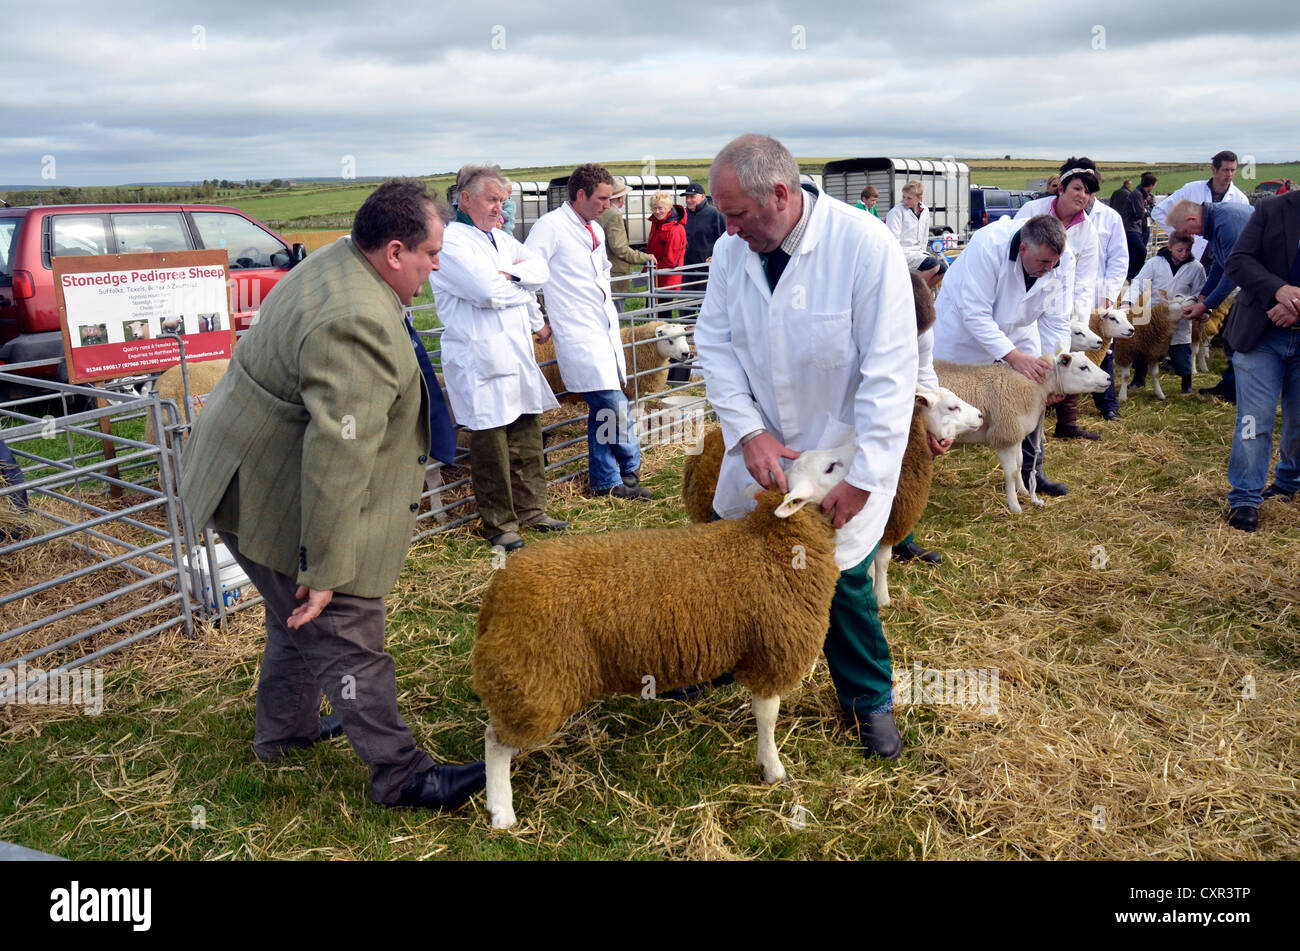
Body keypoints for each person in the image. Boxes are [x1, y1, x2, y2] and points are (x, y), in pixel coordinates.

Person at [179, 179, 485, 811]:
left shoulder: (339, 261)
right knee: (342, 624)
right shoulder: (356, 318)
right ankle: (402, 776)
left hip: (243, 469)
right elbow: (337, 454)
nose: (435, 267)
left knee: (290, 616)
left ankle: (284, 734)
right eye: (431, 254)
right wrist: (323, 567)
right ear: (394, 251)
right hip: (267, 486)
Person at [695, 133, 917, 760]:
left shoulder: (863, 247)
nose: (728, 229)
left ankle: (867, 700)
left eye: (736, 214)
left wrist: (866, 476)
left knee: (839, 578)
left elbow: (890, 371)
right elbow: (714, 345)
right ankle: (711, 659)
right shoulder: (732, 253)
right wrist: (747, 431)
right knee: (727, 556)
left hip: (838, 453)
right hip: (760, 449)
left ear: (781, 195)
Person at [428, 165, 570, 552]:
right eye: (492, 200)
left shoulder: (501, 240)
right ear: (466, 198)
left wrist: (509, 279)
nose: (499, 209)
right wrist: (517, 284)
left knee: (525, 435)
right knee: (490, 446)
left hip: (514, 354)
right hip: (479, 358)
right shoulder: (452, 241)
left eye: (503, 201)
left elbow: (540, 268)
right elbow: (485, 291)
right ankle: (500, 525)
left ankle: (532, 511)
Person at [526, 164, 651, 500]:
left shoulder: (592, 227)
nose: (608, 205)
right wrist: (535, 318)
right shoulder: (549, 227)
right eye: (602, 198)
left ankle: (605, 482)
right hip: (577, 331)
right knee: (612, 402)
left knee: (603, 407)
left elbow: (602, 271)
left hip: (602, 328)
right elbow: (526, 275)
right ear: (580, 195)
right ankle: (631, 464)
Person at [932, 214, 1073, 496]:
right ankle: (919, 470)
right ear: (1023, 249)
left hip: (1020, 332)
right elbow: (975, 314)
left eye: (1053, 262)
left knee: (1029, 396)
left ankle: (1032, 474)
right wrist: (1013, 356)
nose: (1050, 269)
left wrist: (1055, 373)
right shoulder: (987, 247)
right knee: (941, 404)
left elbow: (1056, 320)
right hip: (963, 336)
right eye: (1043, 262)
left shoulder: (1062, 261)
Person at [1219, 190, 1300, 530]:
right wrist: (1279, 290)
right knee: (1255, 418)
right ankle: (1245, 498)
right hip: (1261, 335)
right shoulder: (1272, 208)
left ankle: (1288, 482)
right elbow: (1239, 260)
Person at [1017, 159, 1108, 438]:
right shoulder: (1033, 211)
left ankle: (1057, 427)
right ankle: (1017, 420)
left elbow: (1084, 279)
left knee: (1064, 360)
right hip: (1024, 294)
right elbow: (1014, 249)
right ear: (1061, 188)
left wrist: (1077, 321)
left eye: (1089, 192)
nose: (1083, 196)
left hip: (1060, 305)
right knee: (1028, 362)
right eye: (1077, 188)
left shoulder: (1088, 230)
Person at [1167, 197, 1257, 403]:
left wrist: (1207, 305)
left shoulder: (1226, 222)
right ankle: (1230, 386)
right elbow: (1219, 264)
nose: (1191, 235)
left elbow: (1233, 271)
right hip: (1259, 280)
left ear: (1192, 218)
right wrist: (1203, 296)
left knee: (1241, 335)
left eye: (1188, 231)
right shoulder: (1217, 221)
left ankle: (1237, 391)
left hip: (1274, 281)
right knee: (1235, 335)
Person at [1121, 231, 1205, 395]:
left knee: (1181, 351)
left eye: (1187, 250)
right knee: (1144, 346)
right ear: (1170, 247)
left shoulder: (1196, 267)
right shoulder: (1155, 262)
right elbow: (1140, 282)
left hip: (1180, 316)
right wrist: (1127, 302)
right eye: (1180, 250)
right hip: (1155, 317)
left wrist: (1202, 308)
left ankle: (1186, 384)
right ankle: (1139, 379)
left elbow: (1201, 292)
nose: (1184, 254)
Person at [1152, 151, 1250, 261]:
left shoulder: (1241, 200)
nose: (1230, 174)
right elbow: (1158, 211)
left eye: (1233, 170)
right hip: (1194, 256)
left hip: (1222, 259)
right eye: (1226, 170)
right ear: (1214, 169)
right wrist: (1179, 235)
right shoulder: (1191, 189)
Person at [1085, 186, 1129, 423]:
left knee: (1103, 349)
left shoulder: (1110, 217)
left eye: (1089, 190)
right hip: (1067, 296)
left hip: (1099, 296)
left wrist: (1109, 295)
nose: (1084, 195)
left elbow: (1119, 258)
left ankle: (1107, 404)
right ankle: (1058, 404)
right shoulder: (1064, 215)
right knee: (1064, 348)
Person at [599, 176, 656, 314]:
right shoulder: (614, 216)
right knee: (617, 315)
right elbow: (620, 248)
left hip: (604, 273)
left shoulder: (602, 213)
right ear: (620, 198)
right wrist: (645, 257)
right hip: (615, 274)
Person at [886, 181, 948, 289]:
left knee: (943, 269)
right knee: (934, 266)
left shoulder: (925, 211)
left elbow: (924, 236)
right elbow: (892, 238)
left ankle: (920, 297)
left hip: (919, 252)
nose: (905, 201)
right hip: (903, 252)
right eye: (904, 197)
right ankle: (913, 295)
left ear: (919, 198)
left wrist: (923, 253)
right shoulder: (896, 212)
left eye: (909, 198)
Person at [1121, 172, 1158, 280]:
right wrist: (1146, 210)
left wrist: (1147, 210)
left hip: (1140, 227)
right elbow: (1141, 213)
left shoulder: (1144, 195)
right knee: (1142, 250)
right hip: (1131, 227)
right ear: (1151, 185)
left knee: (1134, 252)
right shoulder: (1137, 195)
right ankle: (1135, 274)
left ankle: (1132, 275)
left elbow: (1150, 210)